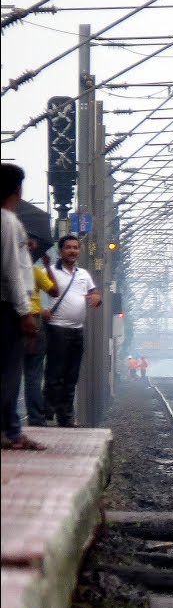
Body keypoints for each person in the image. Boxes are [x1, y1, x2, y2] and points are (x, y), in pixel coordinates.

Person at [1, 164, 43, 450]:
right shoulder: (8, 221)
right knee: (9, 372)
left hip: (6, 306)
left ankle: (10, 429)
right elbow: (11, 272)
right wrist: (24, 311)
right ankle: (11, 433)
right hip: (7, 309)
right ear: (17, 189)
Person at [43, 234, 102, 428]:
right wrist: (41, 310)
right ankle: (48, 412)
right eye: (68, 247)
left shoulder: (83, 274)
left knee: (71, 375)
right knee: (55, 373)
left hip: (77, 330)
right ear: (60, 251)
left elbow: (94, 294)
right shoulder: (50, 271)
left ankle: (66, 417)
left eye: (76, 247)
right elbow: (37, 290)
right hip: (57, 328)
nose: (72, 251)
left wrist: (97, 299)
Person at [23, 236, 59, 426]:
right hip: (33, 323)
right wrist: (49, 266)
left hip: (10, 322)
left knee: (9, 373)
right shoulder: (34, 272)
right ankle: (36, 419)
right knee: (33, 374)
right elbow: (54, 291)